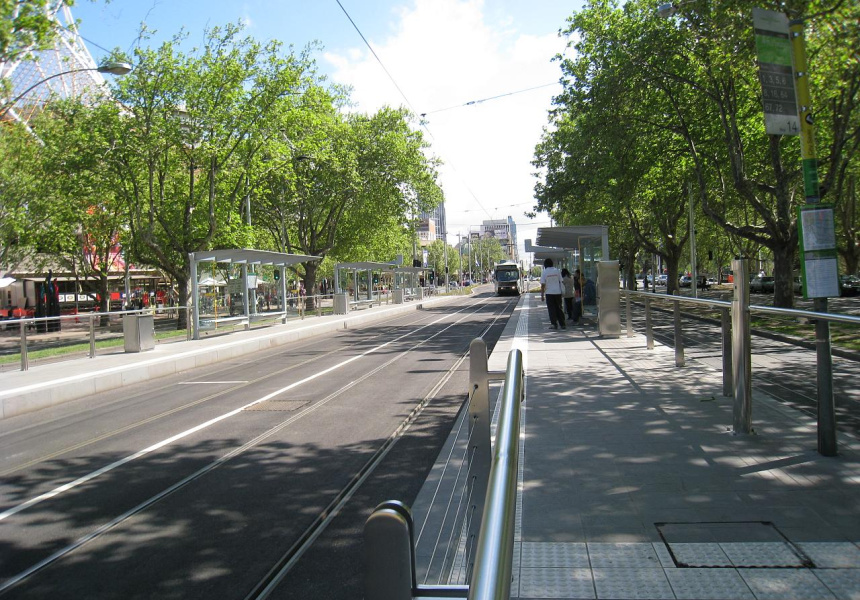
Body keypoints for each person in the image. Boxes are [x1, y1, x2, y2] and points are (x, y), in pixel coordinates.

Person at [540, 258, 566, 330]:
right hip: (558, 292)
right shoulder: (557, 271)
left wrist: (542, 295)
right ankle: (562, 324)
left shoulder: (544, 272)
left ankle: (554, 324)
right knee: (559, 308)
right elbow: (561, 281)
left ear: (545, 265)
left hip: (549, 293)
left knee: (551, 309)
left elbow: (542, 285)